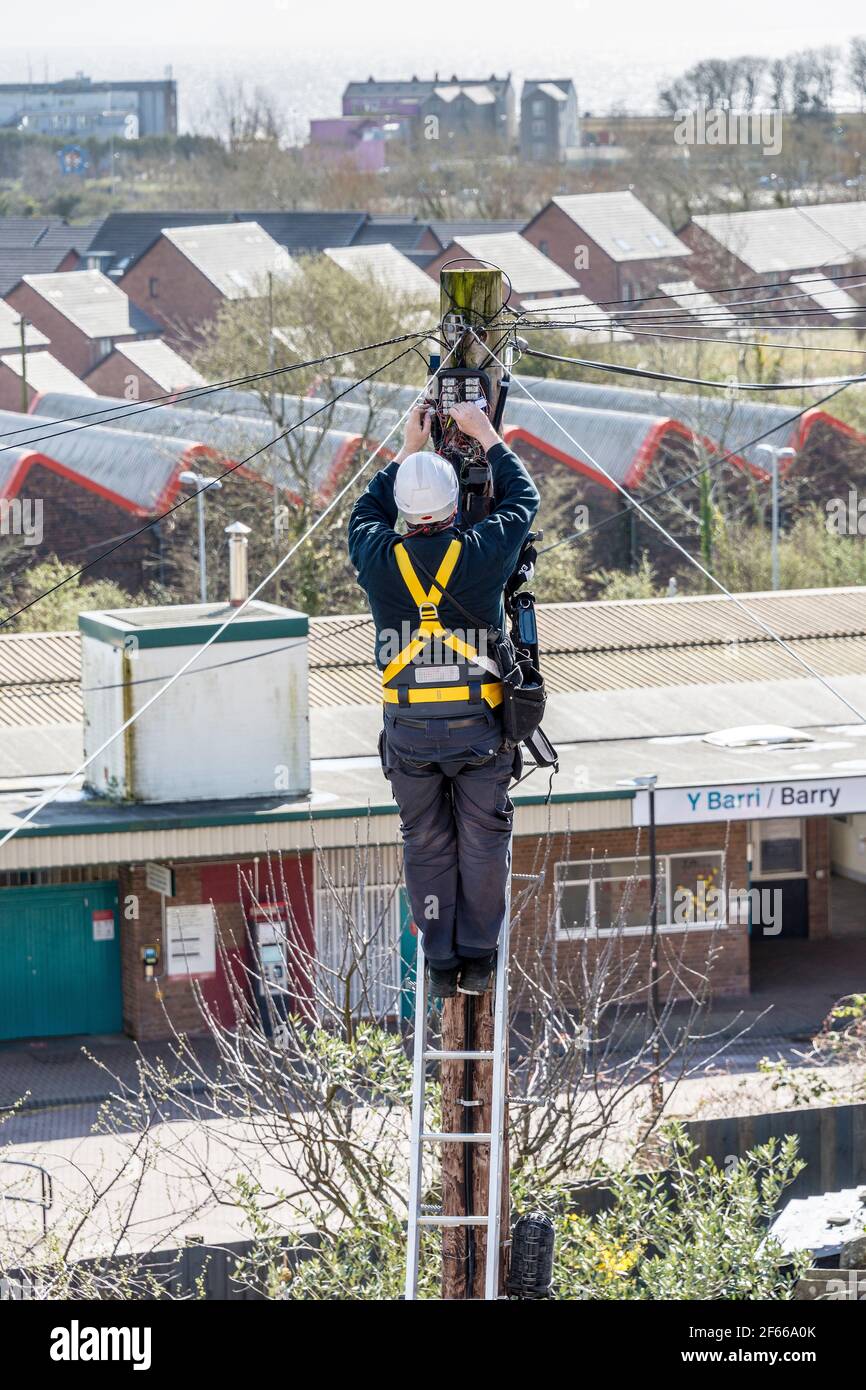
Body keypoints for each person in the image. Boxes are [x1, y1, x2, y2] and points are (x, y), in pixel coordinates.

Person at [348, 399, 539, 996]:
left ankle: (439, 961)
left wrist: (409, 447)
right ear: (457, 506)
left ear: (406, 514)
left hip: (411, 737)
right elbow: (522, 500)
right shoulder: (481, 553)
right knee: (482, 840)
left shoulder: (379, 559)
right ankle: (478, 959)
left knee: (425, 842)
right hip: (479, 732)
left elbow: (363, 512)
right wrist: (483, 431)